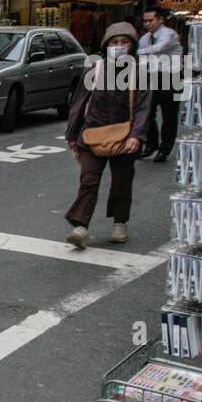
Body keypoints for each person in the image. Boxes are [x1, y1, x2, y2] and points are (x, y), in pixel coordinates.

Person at [64, 22, 152, 247]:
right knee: (88, 181)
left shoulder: (139, 72)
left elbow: (143, 107)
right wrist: (72, 136)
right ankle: (81, 227)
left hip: (125, 137)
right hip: (91, 134)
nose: (119, 46)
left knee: (122, 182)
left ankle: (120, 223)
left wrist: (137, 135)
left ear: (132, 46)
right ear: (106, 45)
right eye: (115, 42)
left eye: (124, 42)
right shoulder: (94, 69)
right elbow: (79, 103)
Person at [137, 5, 182, 161]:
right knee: (146, 112)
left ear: (160, 20)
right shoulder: (144, 38)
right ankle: (151, 144)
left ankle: (165, 149)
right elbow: (143, 60)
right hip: (151, 77)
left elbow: (159, 47)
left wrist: (135, 52)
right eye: (145, 21)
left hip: (171, 77)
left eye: (150, 20)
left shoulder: (169, 34)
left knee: (169, 115)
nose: (147, 24)